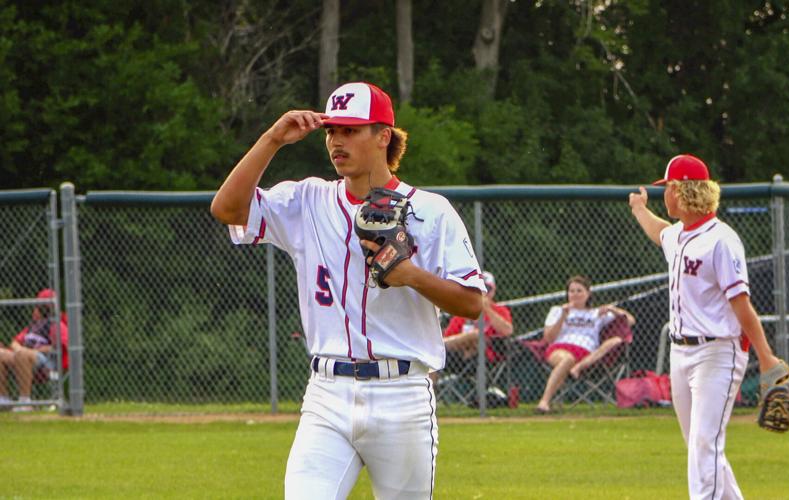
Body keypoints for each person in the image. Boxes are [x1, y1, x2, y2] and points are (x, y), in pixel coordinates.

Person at [210, 81, 484, 499]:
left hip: (403, 393)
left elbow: (472, 302)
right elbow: (227, 209)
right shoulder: (307, 200)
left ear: (383, 136)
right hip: (327, 392)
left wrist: (410, 274)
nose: (336, 141)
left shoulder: (430, 210)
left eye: (350, 130)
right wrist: (272, 139)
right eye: (331, 130)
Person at [628, 154, 782, 500]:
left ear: (682, 190)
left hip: (718, 352)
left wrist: (766, 355)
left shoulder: (721, 240)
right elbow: (660, 232)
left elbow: (741, 304)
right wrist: (639, 208)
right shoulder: (680, 235)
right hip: (681, 352)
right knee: (701, 447)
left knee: (703, 445)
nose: (664, 194)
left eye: (667, 186)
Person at [534, 275, 635, 413]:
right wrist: (563, 315)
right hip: (561, 348)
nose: (575, 294)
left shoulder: (596, 313)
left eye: (579, 291)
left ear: (588, 294)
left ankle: (578, 368)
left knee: (615, 340)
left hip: (587, 353)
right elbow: (549, 337)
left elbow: (629, 321)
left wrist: (612, 309)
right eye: (571, 291)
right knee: (567, 359)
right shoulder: (558, 310)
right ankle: (544, 402)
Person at [0, 289, 68, 412]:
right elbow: (14, 342)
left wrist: (35, 350)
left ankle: (25, 402)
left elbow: (58, 346)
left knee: (22, 354)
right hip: (23, 355)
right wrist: (21, 349)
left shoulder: (56, 324)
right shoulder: (32, 327)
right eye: (39, 306)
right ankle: (4, 400)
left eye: (43, 306)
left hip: (45, 362)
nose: (37, 309)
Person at [438, 271, 513, 380]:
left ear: (493, 291)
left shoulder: (500, 310)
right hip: (458, 357)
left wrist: (487, 309)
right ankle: (431, 393)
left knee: (477, 335)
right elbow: (450, 335)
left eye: (487, 289)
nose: (483, 293)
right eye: (478, 289)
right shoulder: (464, 311)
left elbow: (508, 331)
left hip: (487, 357)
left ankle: (439, 345)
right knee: (433, 359)